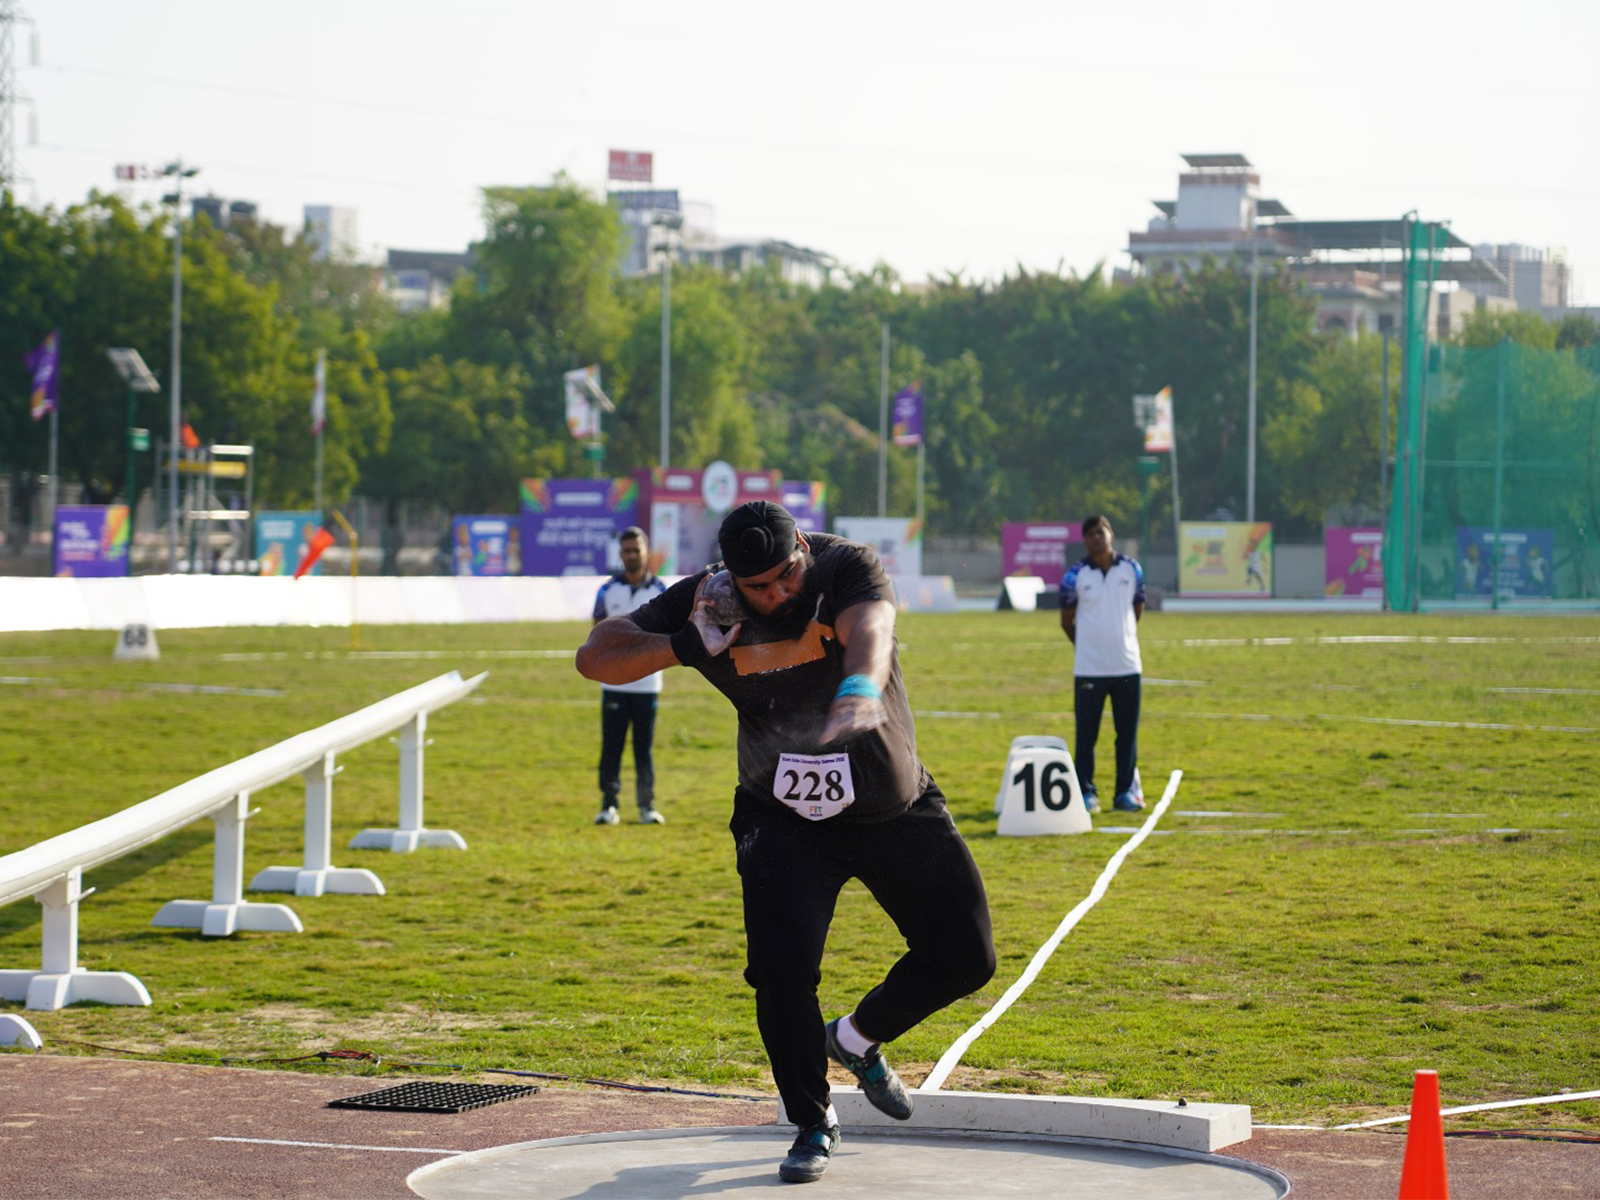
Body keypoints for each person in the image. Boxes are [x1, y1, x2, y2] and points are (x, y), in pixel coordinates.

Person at [575, 501, 995, 1184]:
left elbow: (873, 626)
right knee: (781, 977)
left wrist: (859, 686)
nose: (776, 594)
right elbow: (595, 657)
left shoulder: (843, 566)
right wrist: (684, 646)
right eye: (759, 587)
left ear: (802, 545)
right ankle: (811, 1120)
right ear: (733, 580)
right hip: (782, 818)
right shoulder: (705, 603)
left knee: (966, 956)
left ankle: (855, 1038)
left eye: (785, 576)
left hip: (889, 804)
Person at [1059, 514, 1146, 815]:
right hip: (1089, 668)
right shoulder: (1075, 575)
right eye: (1090, 534)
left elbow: (1137, 609)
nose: (1096, 537)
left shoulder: (1132, 569)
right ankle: (1085, 792)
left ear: (1111, 534)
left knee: (1127, 734)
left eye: (1101, 531)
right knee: (1086, 735)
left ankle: (1124, 793)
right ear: (1084, 540)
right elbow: (1066, 621)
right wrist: (1088, 647)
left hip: (1127, 666)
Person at [590, 526, 669, 825]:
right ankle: (608, 804)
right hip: (613, 683)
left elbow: (667, 636)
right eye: (627, 551)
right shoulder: (607, 591)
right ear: (620, 555)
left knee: (643, 748)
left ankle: (646, 806)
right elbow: (596, 635)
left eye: (637, 550)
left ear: (647, 552)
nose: (632, 556)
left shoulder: (661, 591)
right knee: (611, 745)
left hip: (648, 685)